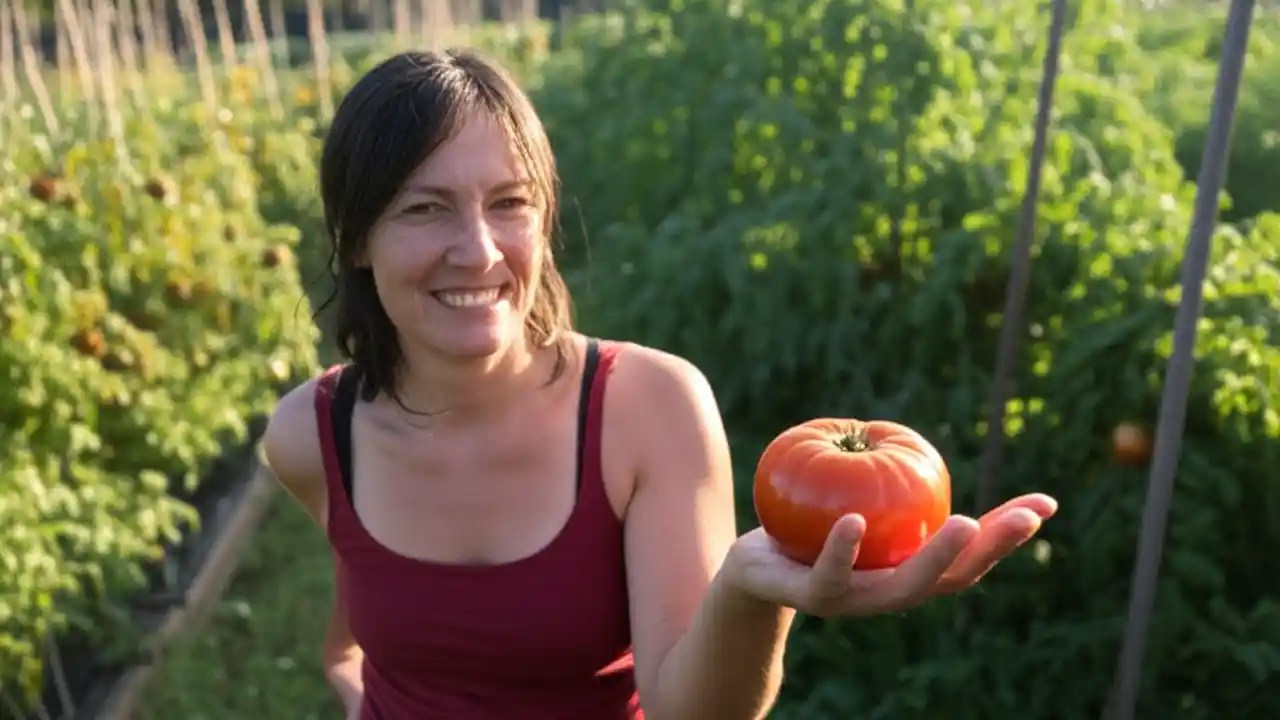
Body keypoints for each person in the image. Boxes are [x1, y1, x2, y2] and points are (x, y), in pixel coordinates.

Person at [261, 47, 1058, 720]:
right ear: (357, 238)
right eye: (425, 209)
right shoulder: (312, 436)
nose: (478, 250)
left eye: (509, 204)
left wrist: (747, 592)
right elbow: (359, 630)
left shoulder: (644, 409)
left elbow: (688, 708)